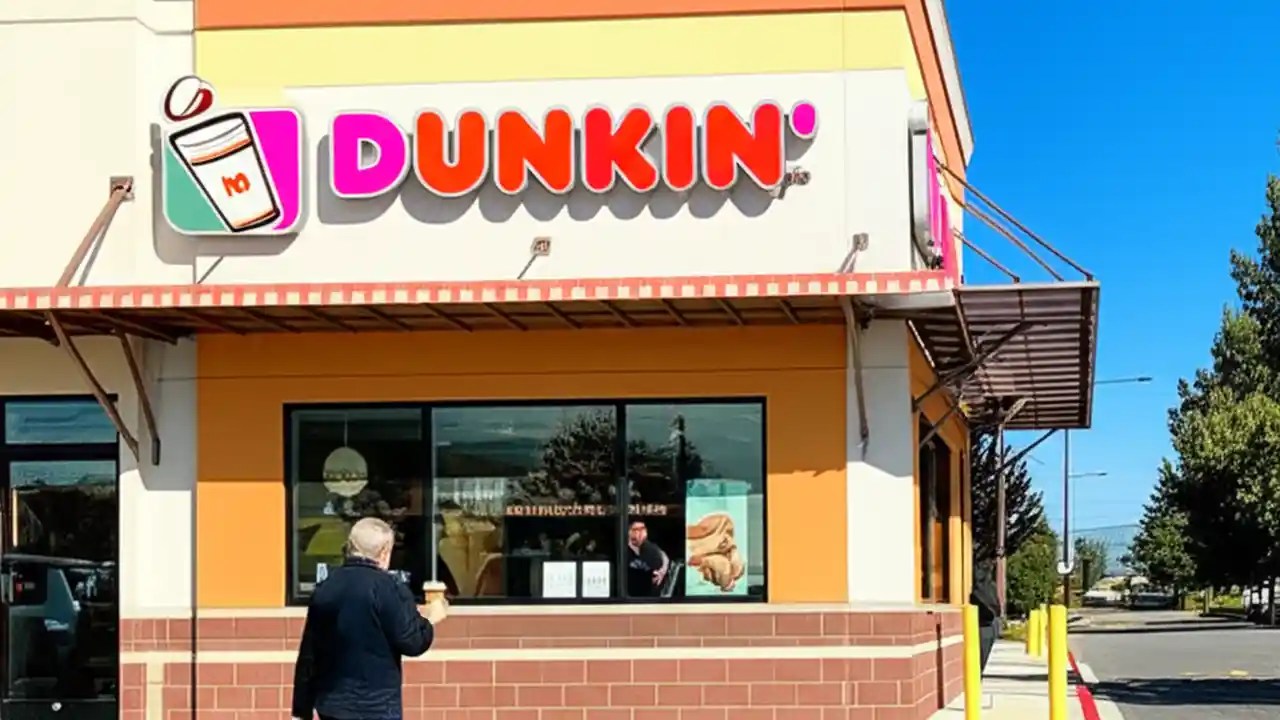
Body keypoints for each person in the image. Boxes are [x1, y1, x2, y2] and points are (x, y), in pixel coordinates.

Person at [291, 517, 448, 720]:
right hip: (377, 706)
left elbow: (309, 655)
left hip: (332, 705)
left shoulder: (326, 587)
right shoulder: (390, 588)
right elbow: (413, 643)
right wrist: (430, 620)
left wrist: (300, 710)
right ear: (384, 552)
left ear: (350, 547)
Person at [625, 520, 670, 597]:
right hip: (630, 596)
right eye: (636, 529)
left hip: (650, 597)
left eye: (643, 529)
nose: (641, 532)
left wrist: (662, 570)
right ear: (629, 532)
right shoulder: (624, 550)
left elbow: (662, 558)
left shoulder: (651, 548)